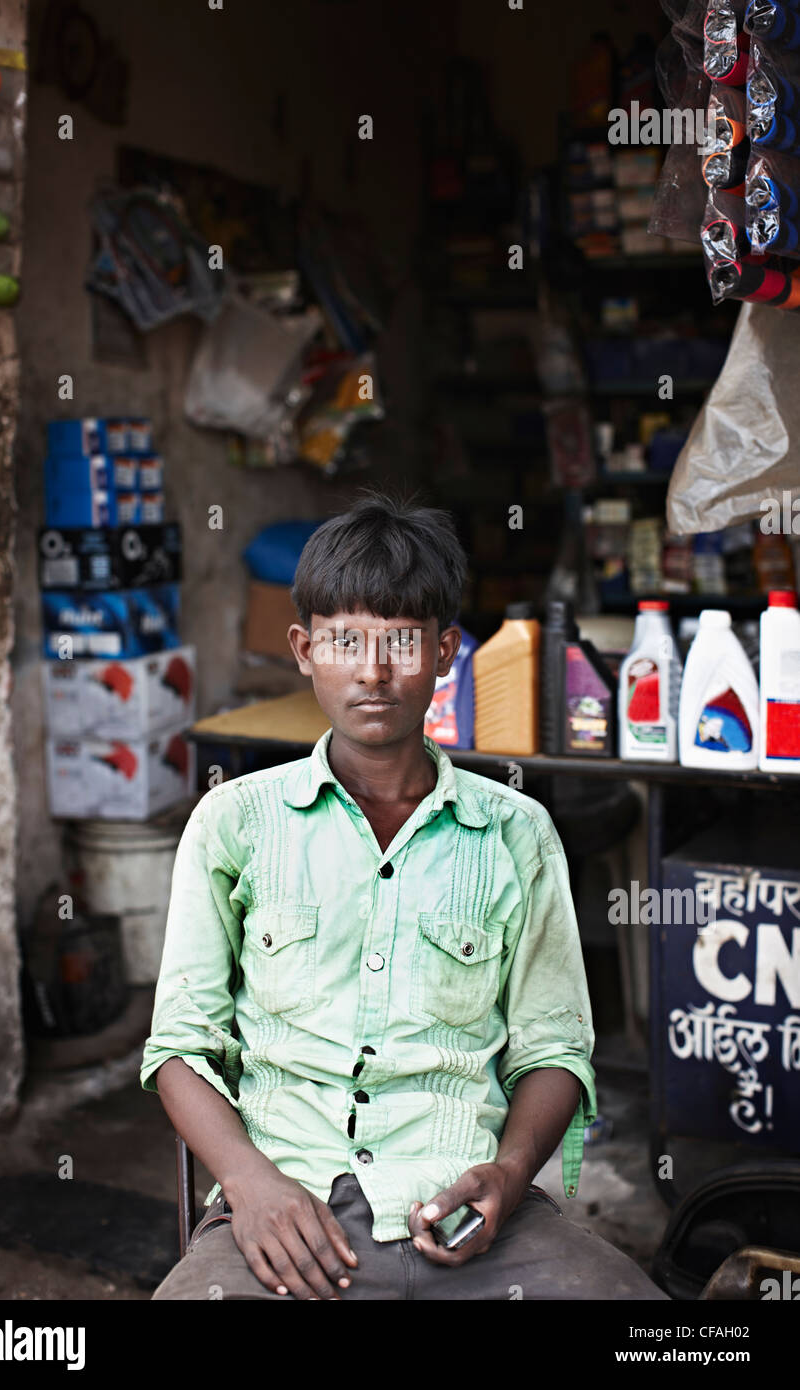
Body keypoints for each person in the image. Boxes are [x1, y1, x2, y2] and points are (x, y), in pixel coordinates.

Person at [141, 492, 668, 1301]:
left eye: (402, 641)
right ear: (304, 650)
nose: (375, 670)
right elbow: (180, 1045)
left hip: (466, 1216)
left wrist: (507, 1173)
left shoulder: (515, 833)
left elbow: (554, 1049)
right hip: (287, 1211)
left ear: (446, 651)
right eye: (346, 640)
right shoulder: (233, 823)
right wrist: (248, 1183)